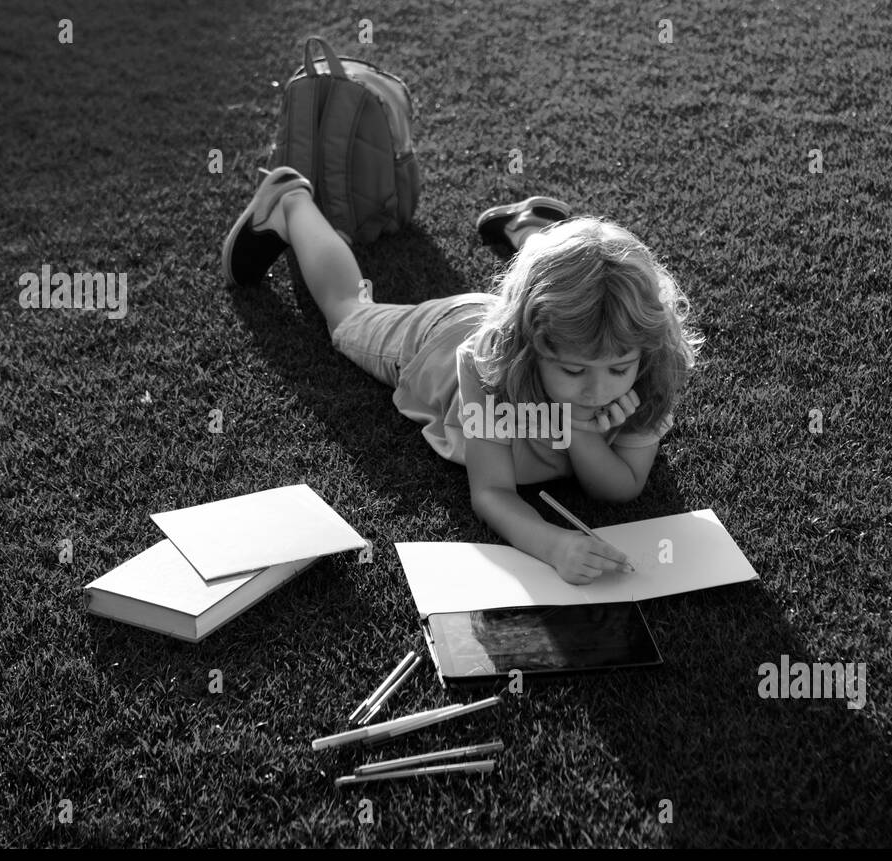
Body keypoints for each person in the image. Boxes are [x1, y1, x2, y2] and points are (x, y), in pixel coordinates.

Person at [222, 167, 702, 584]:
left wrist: (576, 427)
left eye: (618, 368)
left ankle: (533, 229)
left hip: (531, 312)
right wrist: (554, 546)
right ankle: (290, 202)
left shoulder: (648, 361)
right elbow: (492, 492)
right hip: (439, 338)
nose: (600, 390)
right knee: (347, 313)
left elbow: (623, 487)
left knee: (566, 293)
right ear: (531, 353)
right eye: (574, 371)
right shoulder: (490, 365)